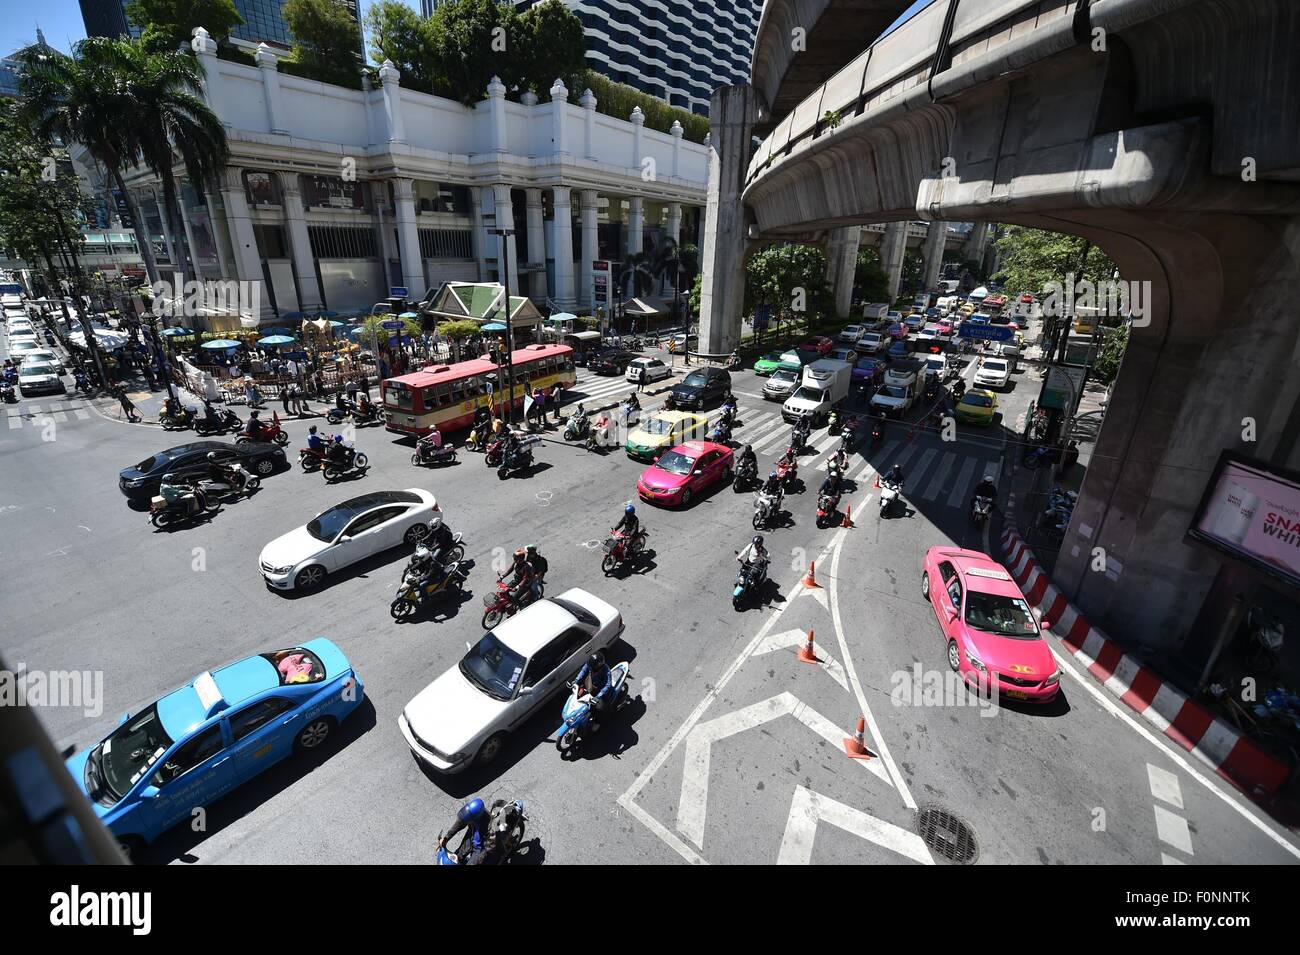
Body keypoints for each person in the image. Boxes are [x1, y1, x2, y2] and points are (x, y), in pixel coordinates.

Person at [437, 798, 491, 865]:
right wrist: (446, 838)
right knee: (457, 856)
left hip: (481, 847)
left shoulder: (491, 828)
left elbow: (489, 847)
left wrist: (479, 858)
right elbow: (459, 824)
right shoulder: (470, 814)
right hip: (472, 836)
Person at [573, 651, 614, 730]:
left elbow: (608, 685)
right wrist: (576, 680)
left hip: (599, 691)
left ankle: (598, 723)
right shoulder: (589, 664)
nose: (590, 668)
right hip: (589, 685)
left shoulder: (606, 670)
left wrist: (598, 697)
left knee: (600, 708)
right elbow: (583, 671)